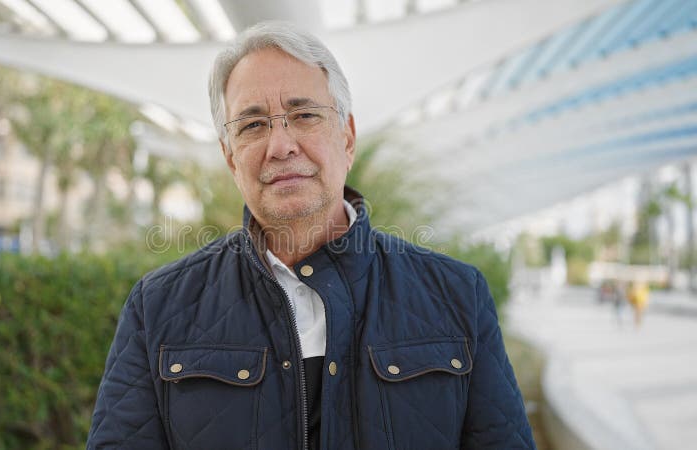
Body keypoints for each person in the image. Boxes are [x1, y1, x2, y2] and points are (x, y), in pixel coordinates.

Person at [87, 21, 535, 450]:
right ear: (230, 157)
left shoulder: (458, 298)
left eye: (303, 115)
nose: (281, 145)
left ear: (347, 138)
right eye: (253, 125)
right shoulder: (158, 309)